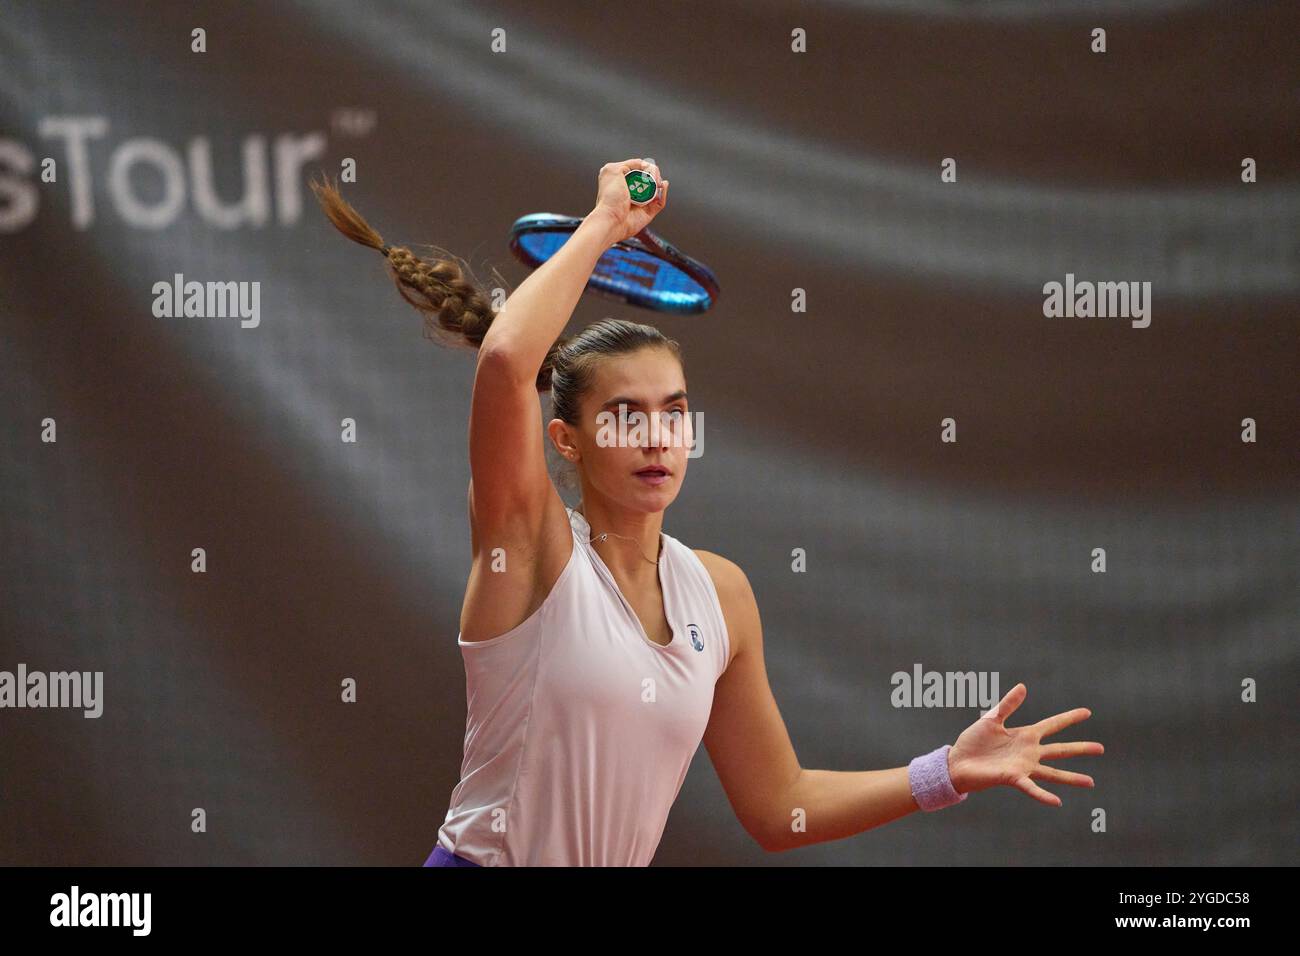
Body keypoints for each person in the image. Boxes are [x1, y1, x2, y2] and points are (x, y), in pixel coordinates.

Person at [312, 159, 1105, 867]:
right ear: (568, 440)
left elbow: (778, 808)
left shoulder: (720, 595)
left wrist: (945, 773)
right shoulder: (528, 545)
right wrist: (605, 227)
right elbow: (510, 362)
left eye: (674, 412)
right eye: (626, 415)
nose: (657, 437)